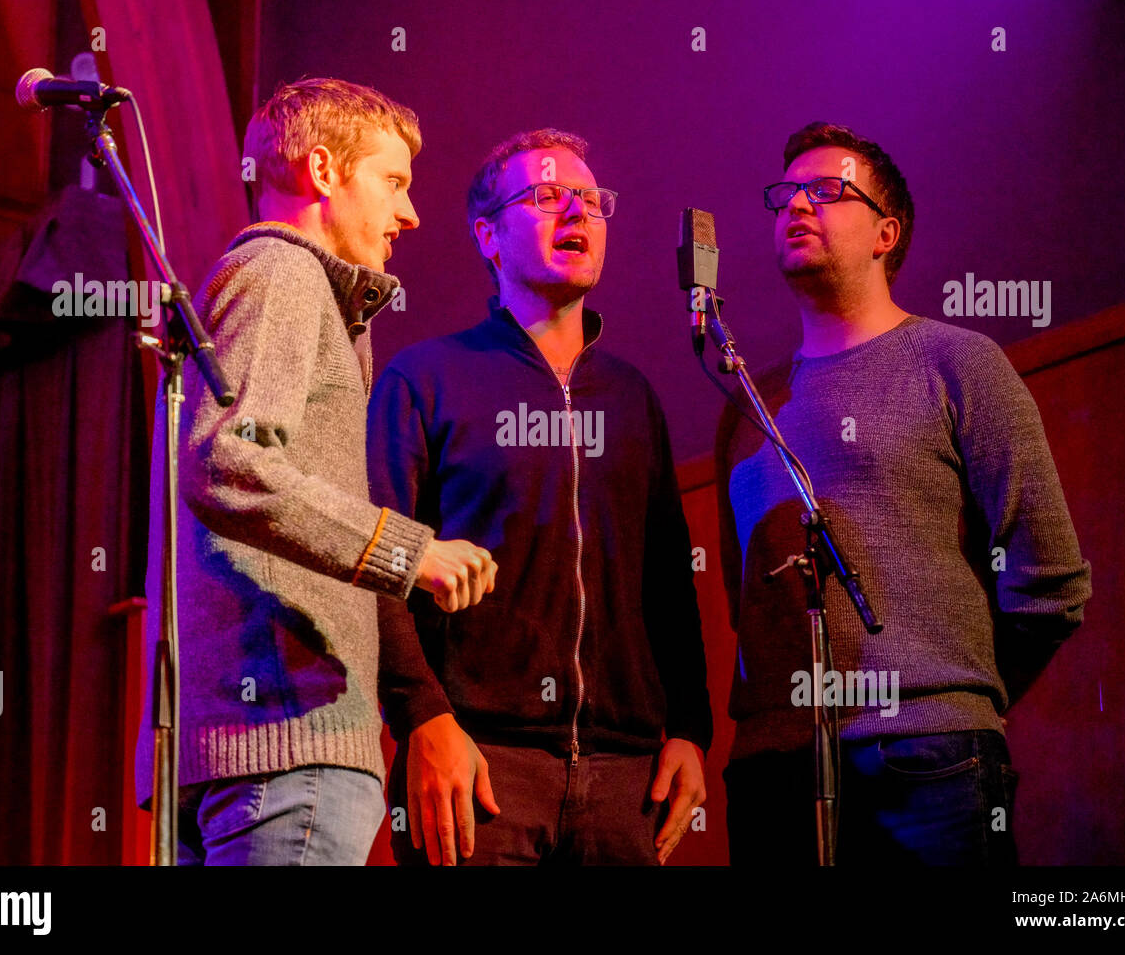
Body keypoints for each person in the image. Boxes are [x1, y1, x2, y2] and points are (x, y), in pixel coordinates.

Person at [135, 78, 497, 866]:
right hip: (289, 743)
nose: (410, 214)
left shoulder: (273, 285)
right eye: (394, 182)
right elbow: (226, 462)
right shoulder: (284, 274)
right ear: (325, 170)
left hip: (247, 747)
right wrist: (410, 552)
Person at [715, 121, 1092, 866]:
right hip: (774, 770)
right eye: (785, 193)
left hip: (930, 763)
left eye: (826, 191)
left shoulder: (958, 364)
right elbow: (748, 605)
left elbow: (1051, 581)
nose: (796, 205)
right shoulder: (747, 403)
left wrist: (949, 695)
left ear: (886, 232)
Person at [368, 129, 713, 866]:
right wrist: (423, 719)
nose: (577, 214)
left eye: (590, 201)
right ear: (488, 236)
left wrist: (690, 727)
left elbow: (667, 581)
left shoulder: (630, 397)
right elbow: (375, 569)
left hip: (629, 778)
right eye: (547, 196)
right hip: (479, 766)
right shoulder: (425, 379)